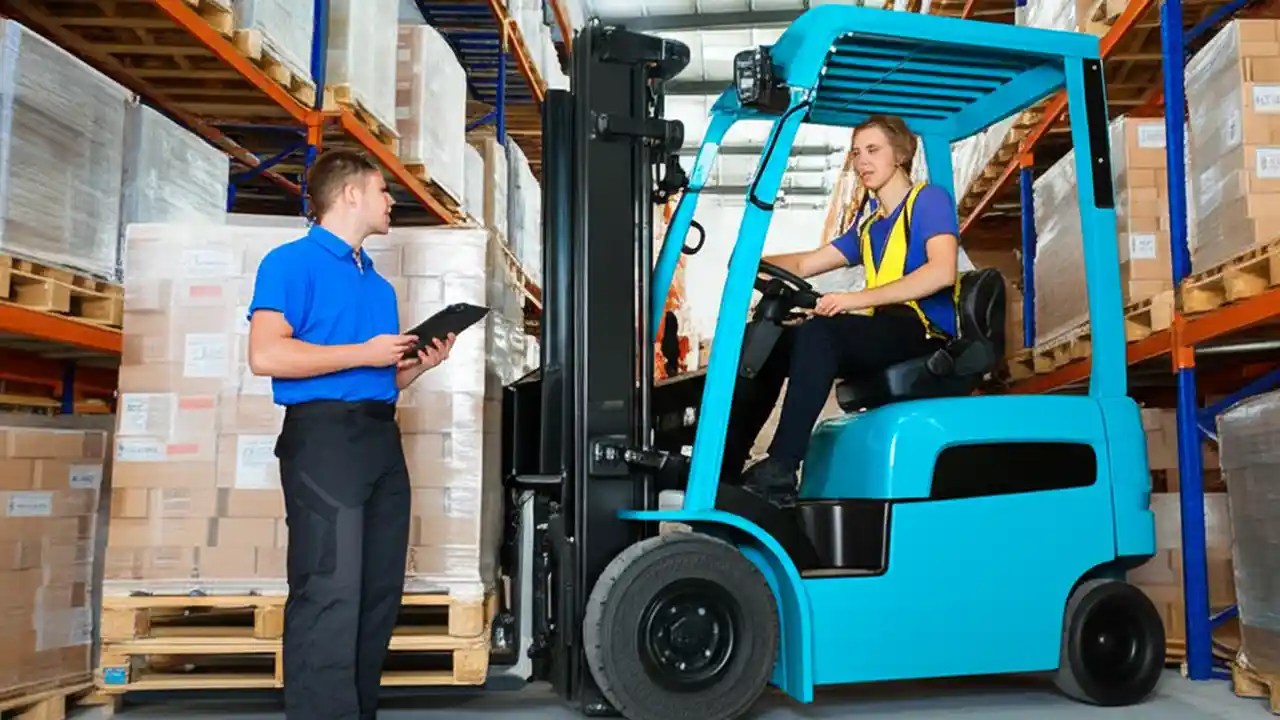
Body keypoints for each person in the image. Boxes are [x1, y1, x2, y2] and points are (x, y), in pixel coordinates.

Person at [246, 149, 456, 720]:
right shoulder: (290, 263)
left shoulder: (378, 286)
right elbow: (266, 355)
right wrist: (364, 352)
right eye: (383, 190)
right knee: (329, 588)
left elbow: (375, 376)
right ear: (350, 194)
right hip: (324, 441)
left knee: (378, 590)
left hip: (379, 438)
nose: (391, 201)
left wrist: (417, 367)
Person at [724, 114, 962, 503]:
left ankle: (782, 467)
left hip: (922, 332)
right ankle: (726, 465)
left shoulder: (928, 200)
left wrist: (851, 300)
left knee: (821, 331)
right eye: (856, 153)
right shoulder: (869, 226)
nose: (862, 160)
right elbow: (805, 263)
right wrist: (748, 262)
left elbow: (941, 272)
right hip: (884, 330)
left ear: (900, 154)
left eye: (873, 150)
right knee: (775, 339)